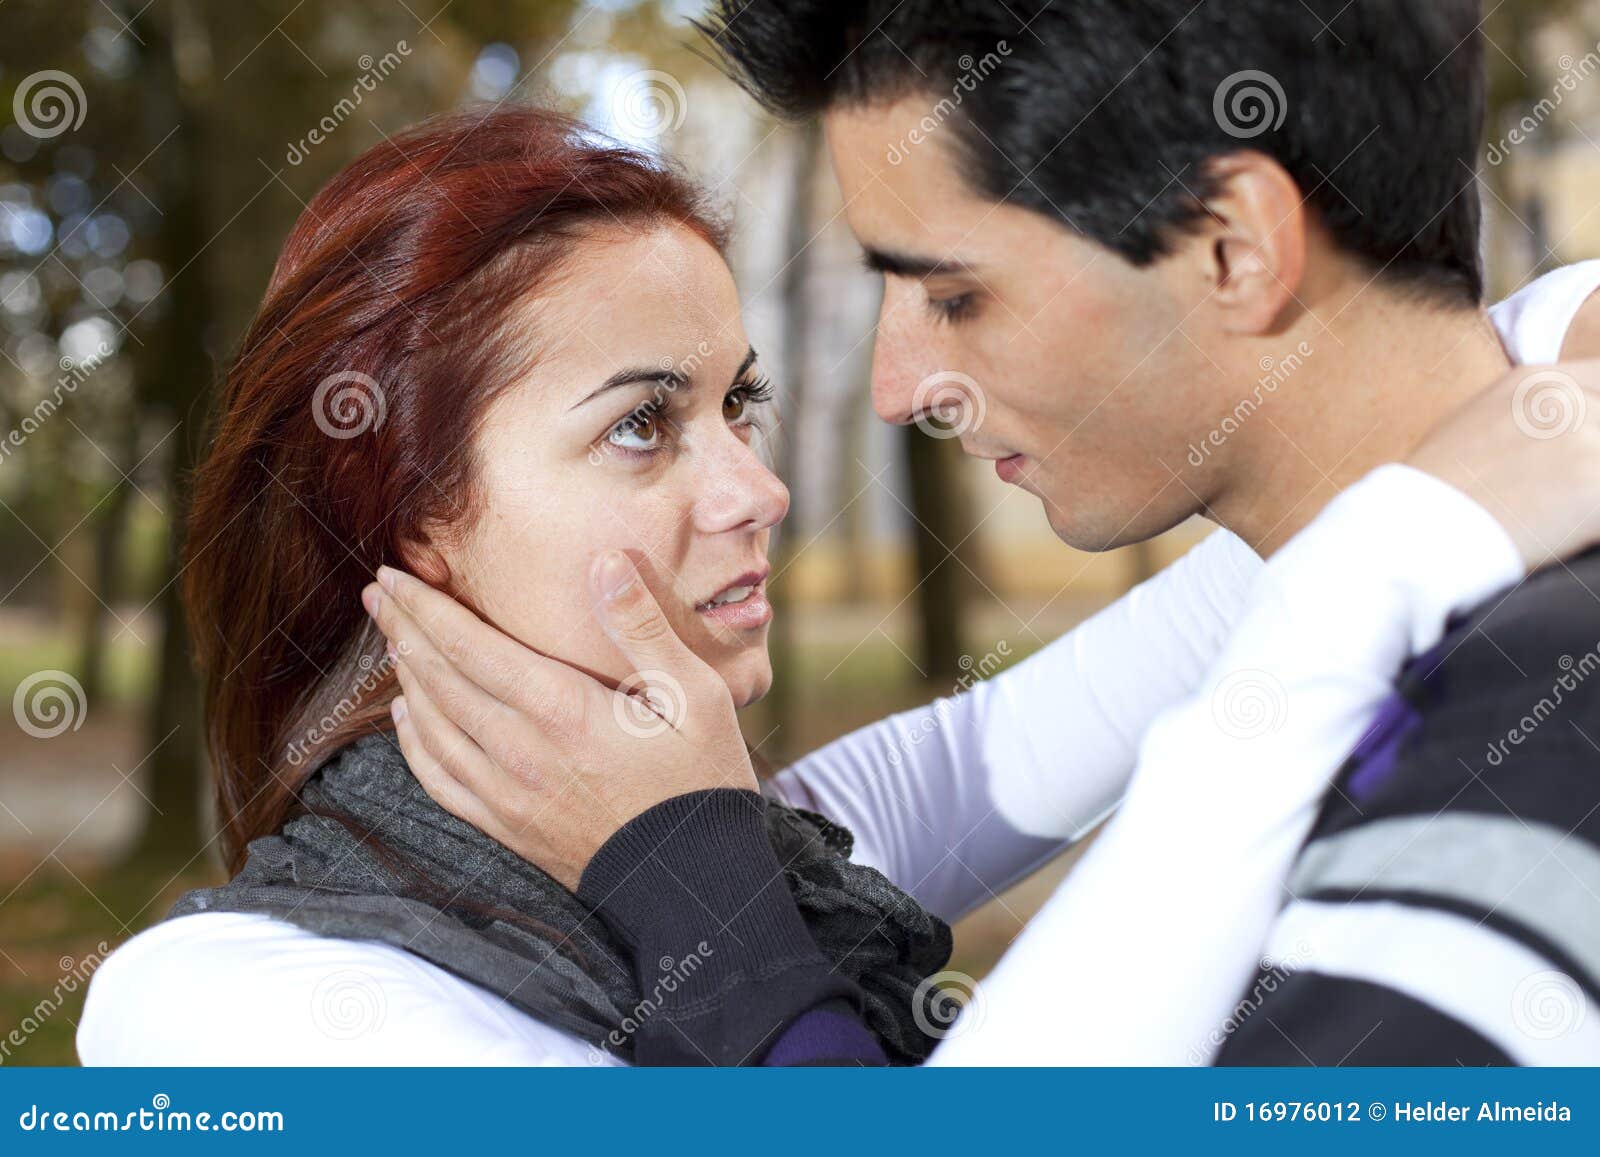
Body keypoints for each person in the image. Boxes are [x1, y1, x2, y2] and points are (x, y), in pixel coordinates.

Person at [346, 0, 1600, 1065]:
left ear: (1232, 248)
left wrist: (687, 878)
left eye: (955, 293)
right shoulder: (1410, 569)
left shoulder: (1523, 764)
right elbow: (965, 768)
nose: (899, 385)